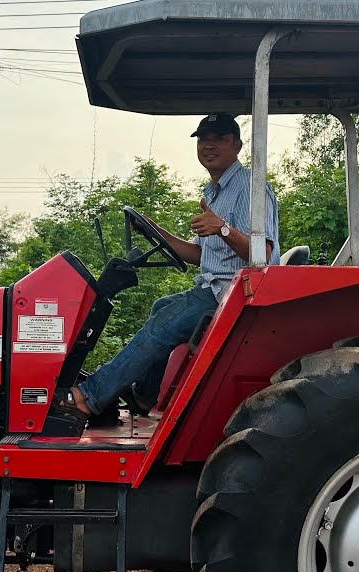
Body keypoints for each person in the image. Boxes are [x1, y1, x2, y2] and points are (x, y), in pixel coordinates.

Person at [55, 113, 280, 422]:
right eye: (203, 139)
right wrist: (154, 229)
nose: (209, 145)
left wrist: (223, 228)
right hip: (216, 287)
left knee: (160, 328)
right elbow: (200, 254)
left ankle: (88, 397)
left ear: (238, 145)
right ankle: (144, 395)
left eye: (219, 138)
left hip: (233, 292)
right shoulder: (214, 193)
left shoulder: (250, 188)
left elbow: (263, 254)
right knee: (162, 306)